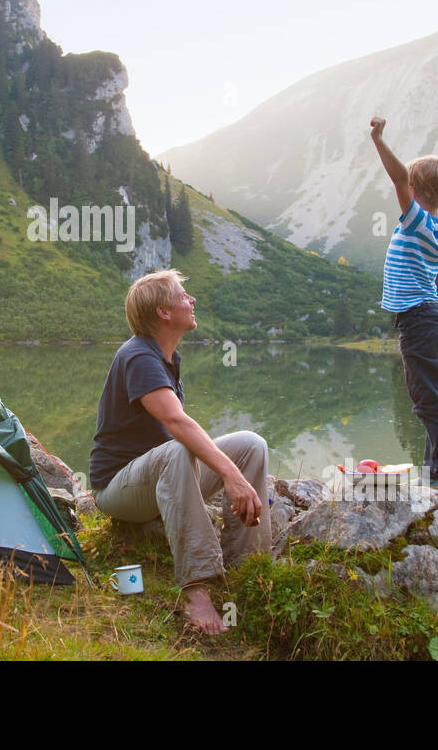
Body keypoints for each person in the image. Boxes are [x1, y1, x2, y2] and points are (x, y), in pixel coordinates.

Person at [89, 269, 270, 635]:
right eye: (183, 295)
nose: (192, 300)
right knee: (177, 449)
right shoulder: (138, 356)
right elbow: (176, 423)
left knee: (251, 445)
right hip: (119, 490)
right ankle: (195, 585)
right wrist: (230, 478)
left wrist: (233, 470)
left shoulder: (166, 356)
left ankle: (246, 565)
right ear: (164, 313)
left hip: (159, 479)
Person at [369, 116, 438, 493]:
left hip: (419, 321)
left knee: (429, 401)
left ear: (415, 191)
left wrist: (378, 139)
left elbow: (399, 178)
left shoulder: (415, 221)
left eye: (410, 187)